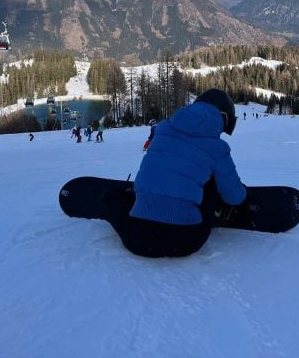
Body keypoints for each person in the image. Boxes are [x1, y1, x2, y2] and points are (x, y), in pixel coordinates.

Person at [103, 88, 247, 258]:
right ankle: (214, 210)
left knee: (111, 197)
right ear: (224, 117)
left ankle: (139, 202)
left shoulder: (162, 130)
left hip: (138, 238)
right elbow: (234, 198)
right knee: (212, 181)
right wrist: (240, 191)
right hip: (185, 240)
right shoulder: (218, 148)